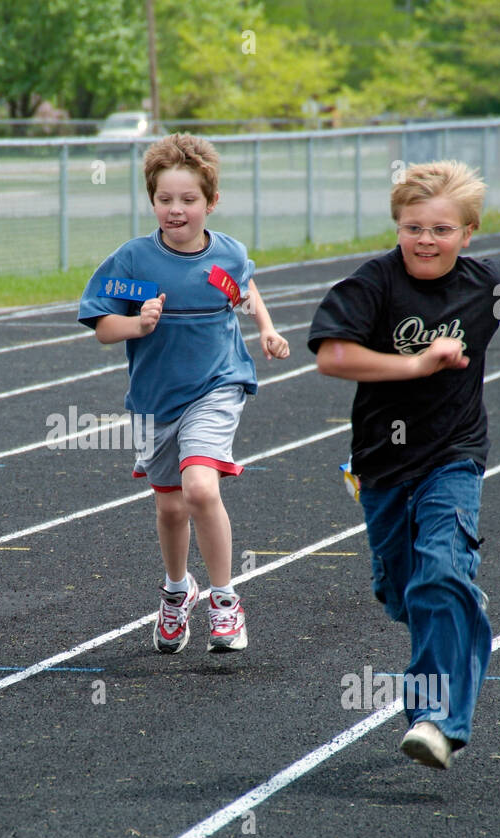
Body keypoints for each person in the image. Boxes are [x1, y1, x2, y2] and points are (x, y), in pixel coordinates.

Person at [309, 160, 500, 770]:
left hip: (455, 455)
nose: (426, 240)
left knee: (441, 575)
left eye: (442, 230)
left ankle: (436, 720)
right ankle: (451, 610)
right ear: (397, 227)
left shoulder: (487, 277)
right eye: (413, 227)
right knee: (405, 593)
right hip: (382, 461)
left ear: (469, 233)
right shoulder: (374, 283)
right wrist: (417, 363)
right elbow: (333, 356)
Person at [77, 133, 290, 655]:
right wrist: (138, 325)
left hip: (218, 386)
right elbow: (104, 327)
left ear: (211, 203)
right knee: (171, 508)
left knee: (200, 487)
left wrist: (265, 327)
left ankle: (224, 599)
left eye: (188, 200)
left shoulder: (225, 257)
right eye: (165, 199)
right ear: (152, 201)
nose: (176, 209)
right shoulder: (133, 264)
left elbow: (242, 286)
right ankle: (177, 592)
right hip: (155, 399)